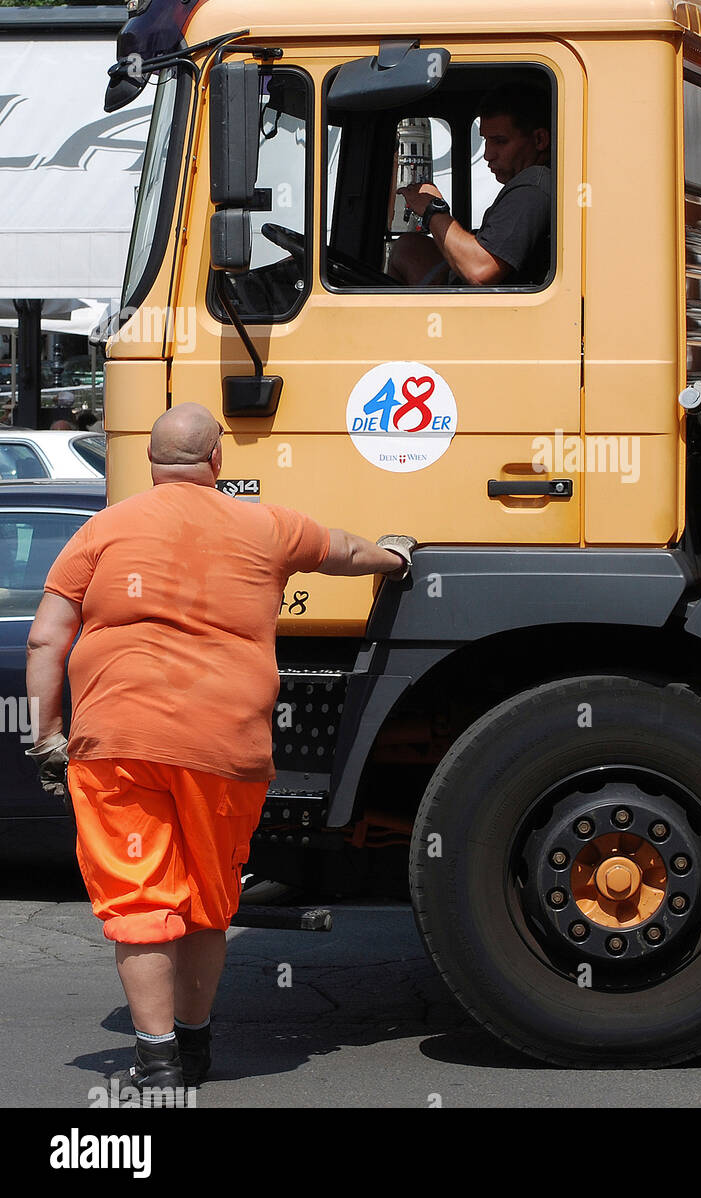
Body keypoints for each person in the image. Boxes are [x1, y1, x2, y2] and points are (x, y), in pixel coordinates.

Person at [24, 402, 415, 1100]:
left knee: (140, 901)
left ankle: (158, 1061)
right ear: (217, 463)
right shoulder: (264, 524)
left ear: (150, 462)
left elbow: (46, 639)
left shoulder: (102, 529)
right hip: (224, 747)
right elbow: (347, 554)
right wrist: (396, 555)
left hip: (117, 741)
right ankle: (197, 1042)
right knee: (208, 900)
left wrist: (49, 734)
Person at [387, 82, 551, 288]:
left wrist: (432, 209)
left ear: (539, 139)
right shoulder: (532, 182)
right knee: (408, 248)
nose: (488, 155)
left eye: (499, 141)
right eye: (486, 141)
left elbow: (480, 270)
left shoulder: (533, 187)